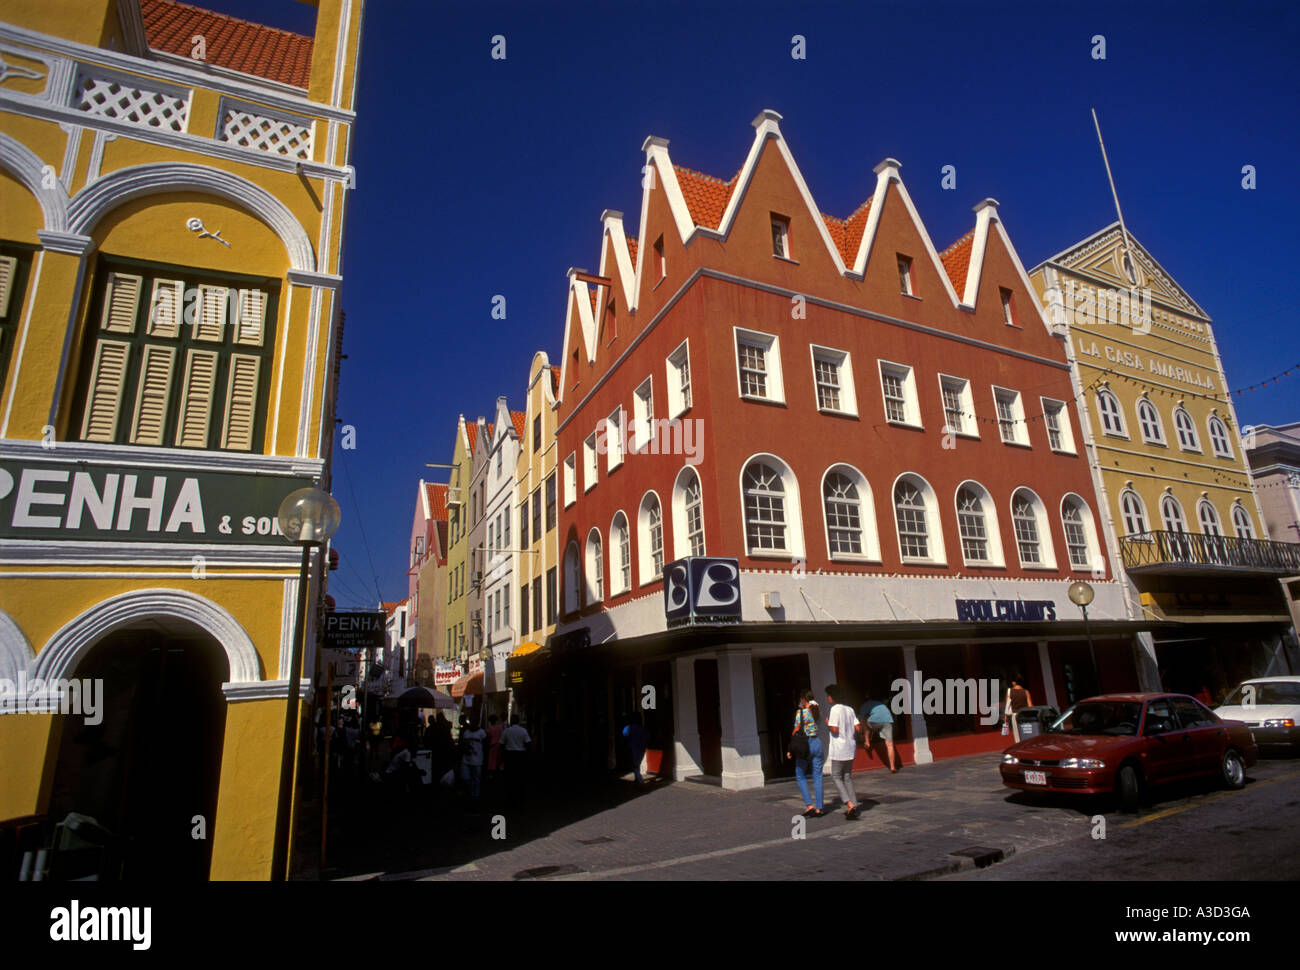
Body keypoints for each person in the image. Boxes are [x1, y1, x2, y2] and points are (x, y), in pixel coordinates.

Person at [824, 685, 860, 819]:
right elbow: (858, 728)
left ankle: (849, 803)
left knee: (836, 776)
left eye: (828, 695)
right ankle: (854, 804)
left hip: (839, 748)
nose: (827, 698)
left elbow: (834, 730)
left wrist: (828, 723)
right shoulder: (850, 709)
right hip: (850, 747)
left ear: (832, 697)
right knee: (847, 777)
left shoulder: (834, 709)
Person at [787, 690, 824, 817]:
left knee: (800, 774)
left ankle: (809, 805)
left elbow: (796, 729)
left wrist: (790, 748)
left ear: (803, 700)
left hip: (804, 745)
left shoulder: (801, 713)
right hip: (817, 743)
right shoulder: (817, 711)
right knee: (817, 776)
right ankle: (819, 808)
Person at [858, 691, 899, 773]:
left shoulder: (865, 705)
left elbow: (861, 720)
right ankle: (892, 767)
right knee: (890, 744)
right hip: (888, 720)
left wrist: (861, 732)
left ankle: (867, 742)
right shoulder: (880, 704)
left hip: (875, 721)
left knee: (866, 721)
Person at [501, 714, 533, 798]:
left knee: (510, 776)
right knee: (520, 776)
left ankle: (510, 794)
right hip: (520, 756)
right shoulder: (523, 731)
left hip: (510, 755)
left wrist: (503, 756)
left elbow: (501, 744)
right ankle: (520, 794)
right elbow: (528, 743)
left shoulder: (507, 731)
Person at [459, 716, 487, 805]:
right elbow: (462, 744)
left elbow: (486, 746)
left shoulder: (482, 732)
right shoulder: (466, 732)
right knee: (466, 778)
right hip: (466, 759)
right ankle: (470, 793)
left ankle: (475, 796)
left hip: (478, 760)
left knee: (476, 779)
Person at [1004, 676, 1033, 742]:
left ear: (1014, 682)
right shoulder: (1026, 692)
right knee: (1026, 734)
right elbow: (1030, 706)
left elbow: (1007, 706)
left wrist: (1006, 718)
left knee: (1017, 736)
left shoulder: (1009, 691)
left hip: (1015, 716)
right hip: (1025, 715)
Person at [621, 715, 647, 784]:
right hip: (642, 748)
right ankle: (637, 779)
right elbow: (646, 736)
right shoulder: (642, 728)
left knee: (634, 765)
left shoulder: (630, 727)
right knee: (638, 763)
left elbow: (624, 733)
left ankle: (639, 780)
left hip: (633, 748)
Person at [485, 714, 505, 781]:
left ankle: (491, 776)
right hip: (499, 746)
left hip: (492, 747)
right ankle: (499, 775)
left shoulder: (489, 729)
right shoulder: (500, 728)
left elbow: (488, 738)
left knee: (492, 762)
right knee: (499, 761)